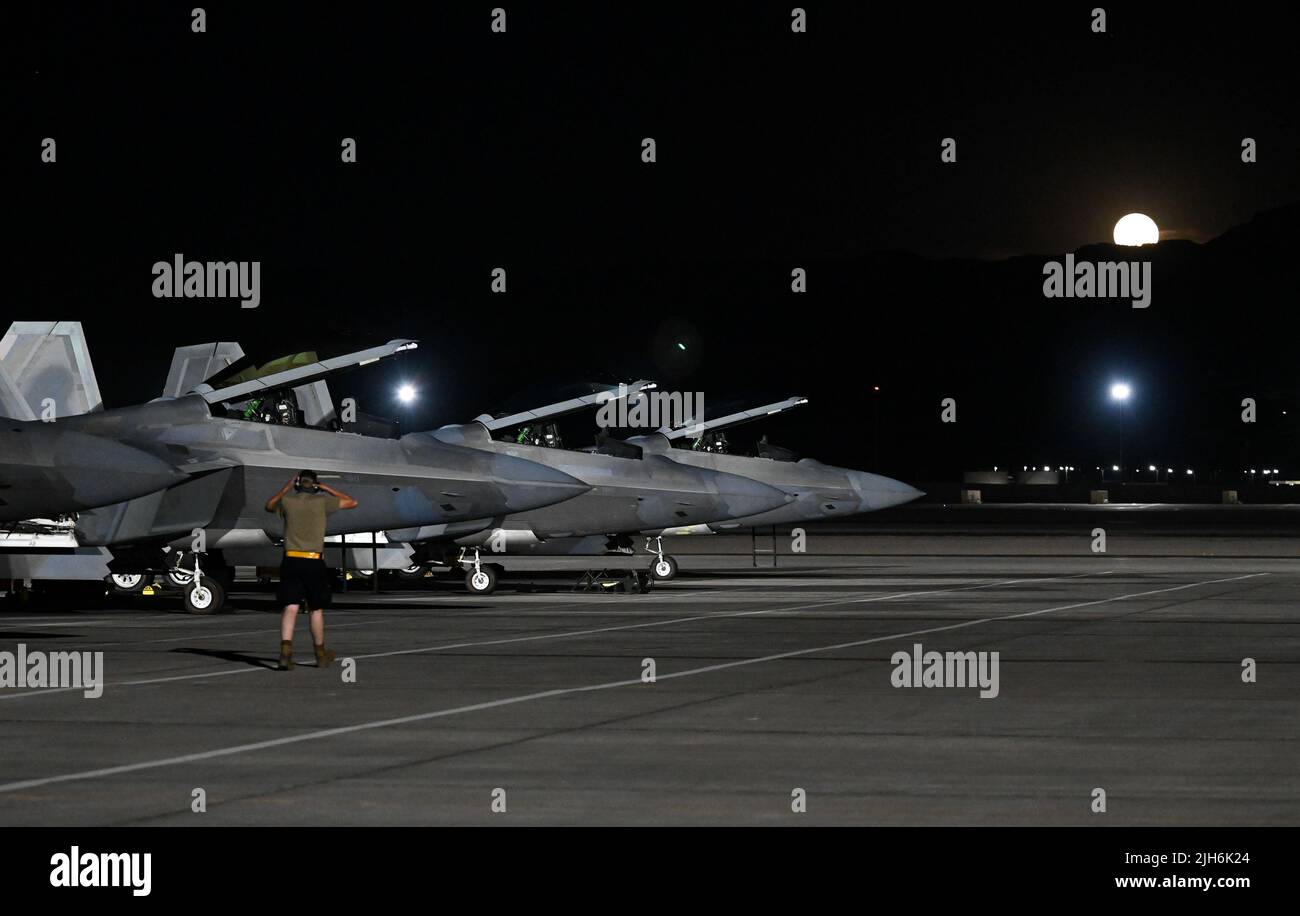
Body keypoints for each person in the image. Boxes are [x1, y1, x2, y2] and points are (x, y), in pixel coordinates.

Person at [265, 470, 357, 670]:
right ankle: (320, 654)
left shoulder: (288, 502)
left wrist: (286, 488)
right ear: (314, 485)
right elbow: (351, 502)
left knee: (290, 606)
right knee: (316, 609)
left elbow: (269, 505)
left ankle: (285, 653)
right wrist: (325, 488)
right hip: (313, 561)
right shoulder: (322, 502)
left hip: (291, 560)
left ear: (297, 483)